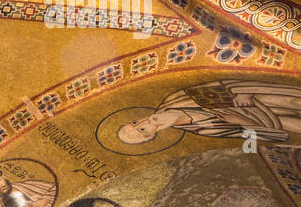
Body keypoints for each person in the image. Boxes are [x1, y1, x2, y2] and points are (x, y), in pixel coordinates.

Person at [117, 80, 301, 147]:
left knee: (292, 101)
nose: (142, 122)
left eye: (134, 122)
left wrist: (244, 92)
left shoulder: (176, 99)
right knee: (292, 125)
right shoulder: (201, 131)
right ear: (151, 134)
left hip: (260, 97)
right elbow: (269, 135)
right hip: (261, 115)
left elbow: (219, 84)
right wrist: (240, 120)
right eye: (141, 130)